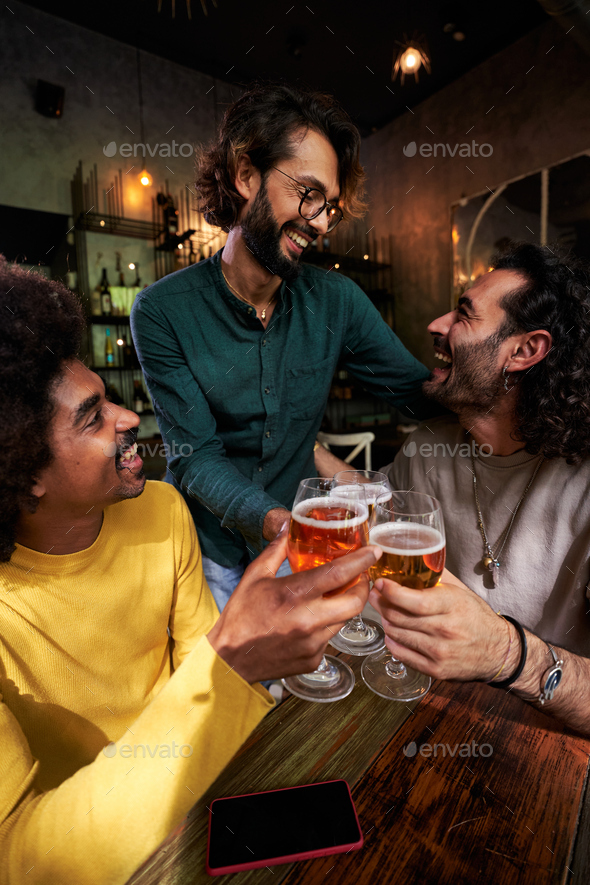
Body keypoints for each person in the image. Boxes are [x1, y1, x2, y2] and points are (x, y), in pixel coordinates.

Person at [0, 258, 381, 884]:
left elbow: (199, 672)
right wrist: (237, 659)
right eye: (92, 417)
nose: (129, 418)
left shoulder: (162, 508)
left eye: (110, 399)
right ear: (24, 474)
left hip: (200, 802)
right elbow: (23, 859)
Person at [131, 82, 434, 612]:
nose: (319, 222)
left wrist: (498, 370)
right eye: (307, 193)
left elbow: (416, 394)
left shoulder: (337, 302)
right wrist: (281, 524)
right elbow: (195, 457)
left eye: (330, 207)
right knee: (233, 692)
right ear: (246, 175)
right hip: (209, 553)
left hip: (302, 545)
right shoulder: (161, 311)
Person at [372, 243, 590, 735]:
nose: (436, 324)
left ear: (524, 350)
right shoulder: (425, 449)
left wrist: (504, 652)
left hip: (553, 748)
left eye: (464, 314)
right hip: (435, 718)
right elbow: (364, 504)